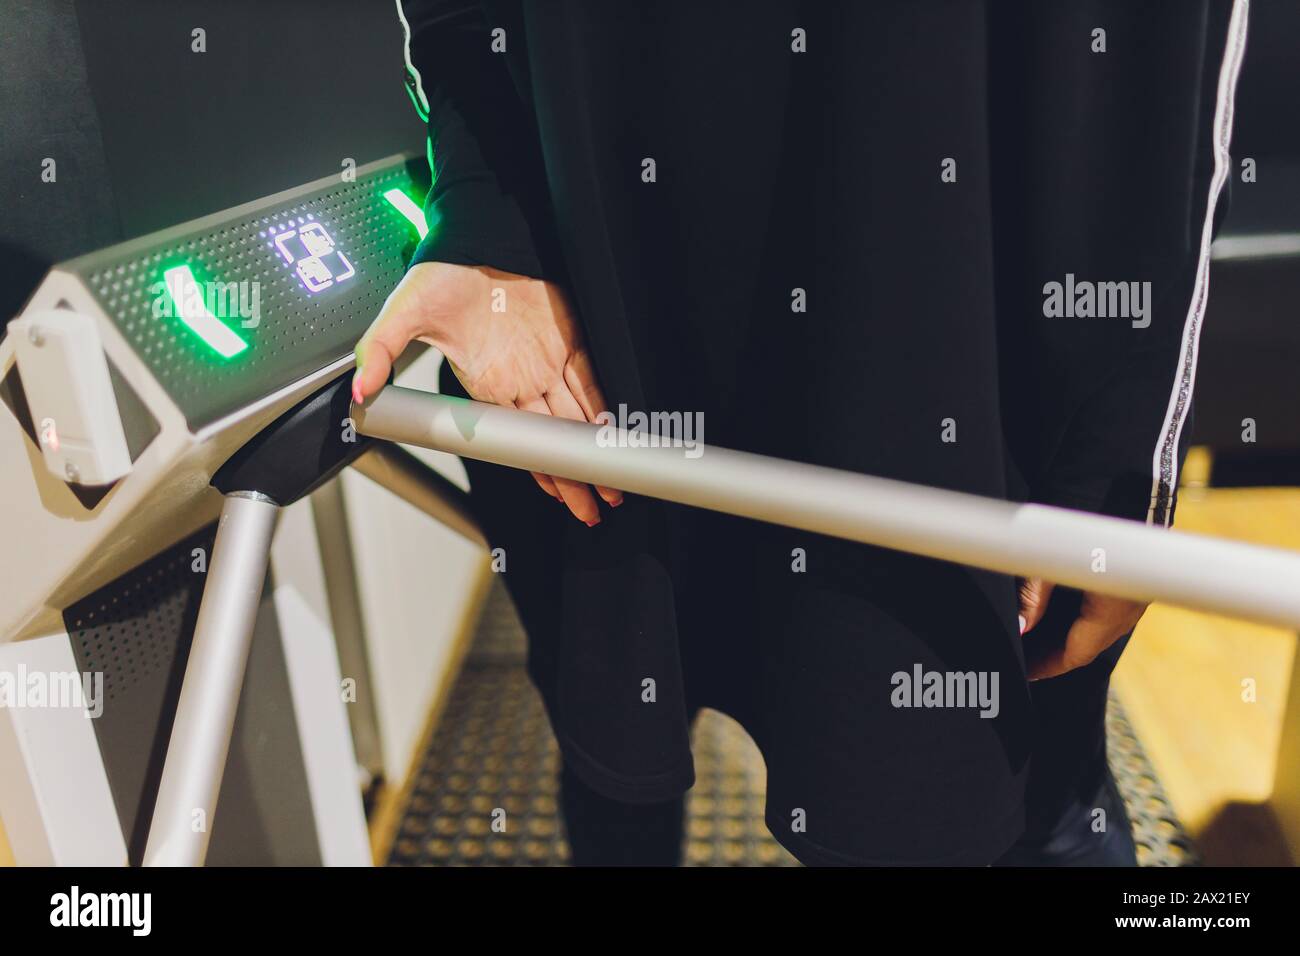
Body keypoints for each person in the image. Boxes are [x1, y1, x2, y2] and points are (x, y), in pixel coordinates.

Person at [355, 0, 1247, 865]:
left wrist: (1125, 456)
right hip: (591, 337)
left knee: (1003, 796)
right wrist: (484, 212)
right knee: (615, 756)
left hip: (957, 372)